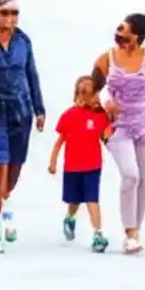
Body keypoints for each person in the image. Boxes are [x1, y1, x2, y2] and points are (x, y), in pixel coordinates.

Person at [90, 13, 145, 255]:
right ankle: (129, 229)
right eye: (119, 32)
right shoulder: (107, 58)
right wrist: (106, 102)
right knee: (130, 174)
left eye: (125, 33)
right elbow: (90, 90)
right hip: (118, 127)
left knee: (143, 176)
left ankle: (134, 233)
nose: (120, 38)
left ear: (137, 36)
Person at [0, 0, 45, 254]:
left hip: (21, 111)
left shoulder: (23, 41)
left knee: (14, 168)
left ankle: (6, 203)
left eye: (15, 13)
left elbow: (31, 74)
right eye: (5, 13)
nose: (11, 18)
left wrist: (39, 109)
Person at [48, 76, 112, 253]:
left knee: (92, 199)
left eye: (92, 94)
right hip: (72, 167)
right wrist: (53, 160)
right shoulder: (69, 115)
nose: (90, 98)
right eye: (84, 94)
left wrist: (110, 124)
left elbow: (107, 131)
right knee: (74, 200)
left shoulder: (100, 116)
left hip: (92, 166)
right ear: (77, 95)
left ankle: (98, 234)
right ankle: (70, 217)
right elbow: (60, 140)